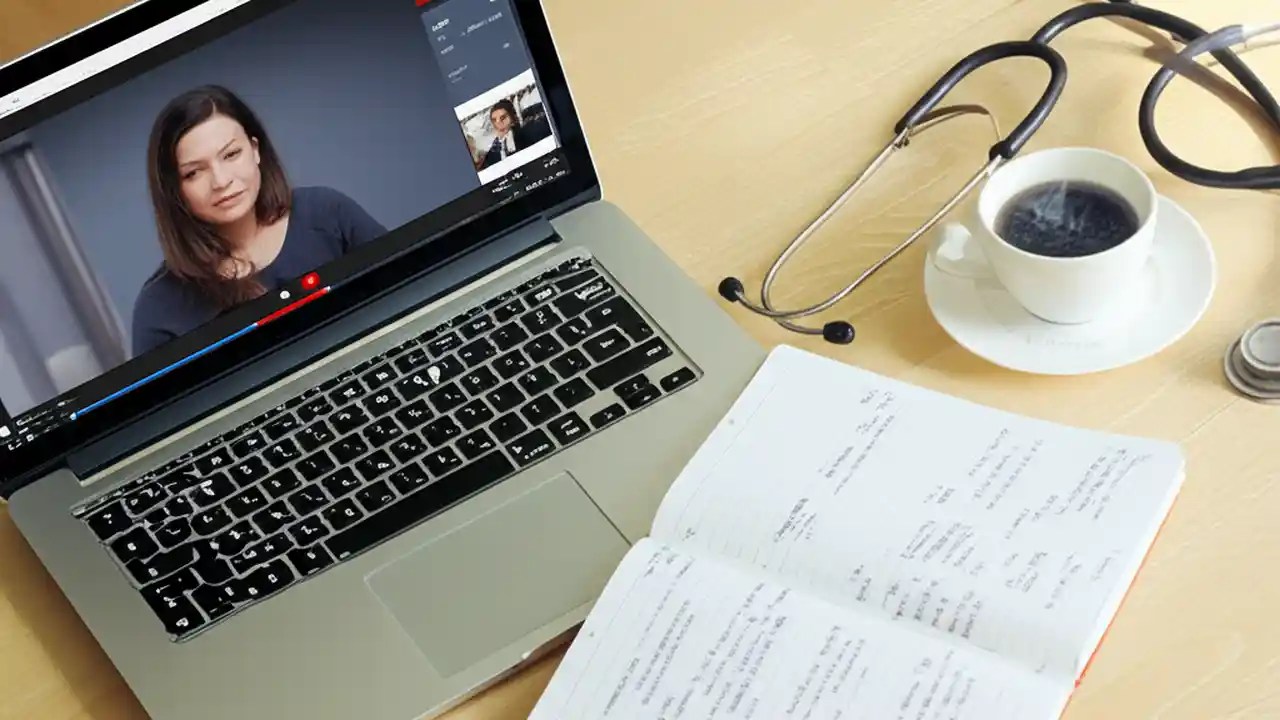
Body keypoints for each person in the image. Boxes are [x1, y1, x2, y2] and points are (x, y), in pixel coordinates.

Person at [131, 85, 387, 357]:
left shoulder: (327, 213)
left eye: (231, 155)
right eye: (194, 172)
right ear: (175, 190)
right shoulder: (158, 307)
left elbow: (404, 287)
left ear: (255, 150)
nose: (221, 181)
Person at [480, 98, 552, 170]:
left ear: (513, 118)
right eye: (494, 121)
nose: (499, 124)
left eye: (503, 118)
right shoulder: (492, 154)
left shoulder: (530, 132)